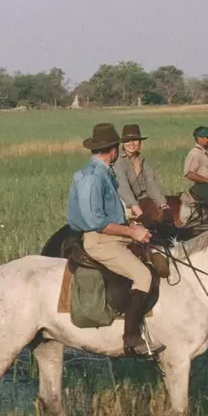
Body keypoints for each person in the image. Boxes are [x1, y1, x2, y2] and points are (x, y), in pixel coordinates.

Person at [67, 122, 163, 358]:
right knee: (143, 275)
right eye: (117, 146)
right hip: (100, 240)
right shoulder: (92, 178)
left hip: (112, 233)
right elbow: (96, 221)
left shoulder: (103, 172)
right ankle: (131, 339)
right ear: (113, 149)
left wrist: (134, 223)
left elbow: (112, 212)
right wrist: (131, 232)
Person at [112, 124, 169, 224]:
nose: (132, 143)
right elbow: (123, 187)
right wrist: (138, 212)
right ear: (123, 143)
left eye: (135, 140)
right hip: (124, 201)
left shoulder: (141, 159)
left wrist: (163, 205)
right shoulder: (118, 161)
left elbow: (151, 181)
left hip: (141, 198)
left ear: (140, 142)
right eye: (128, 141)